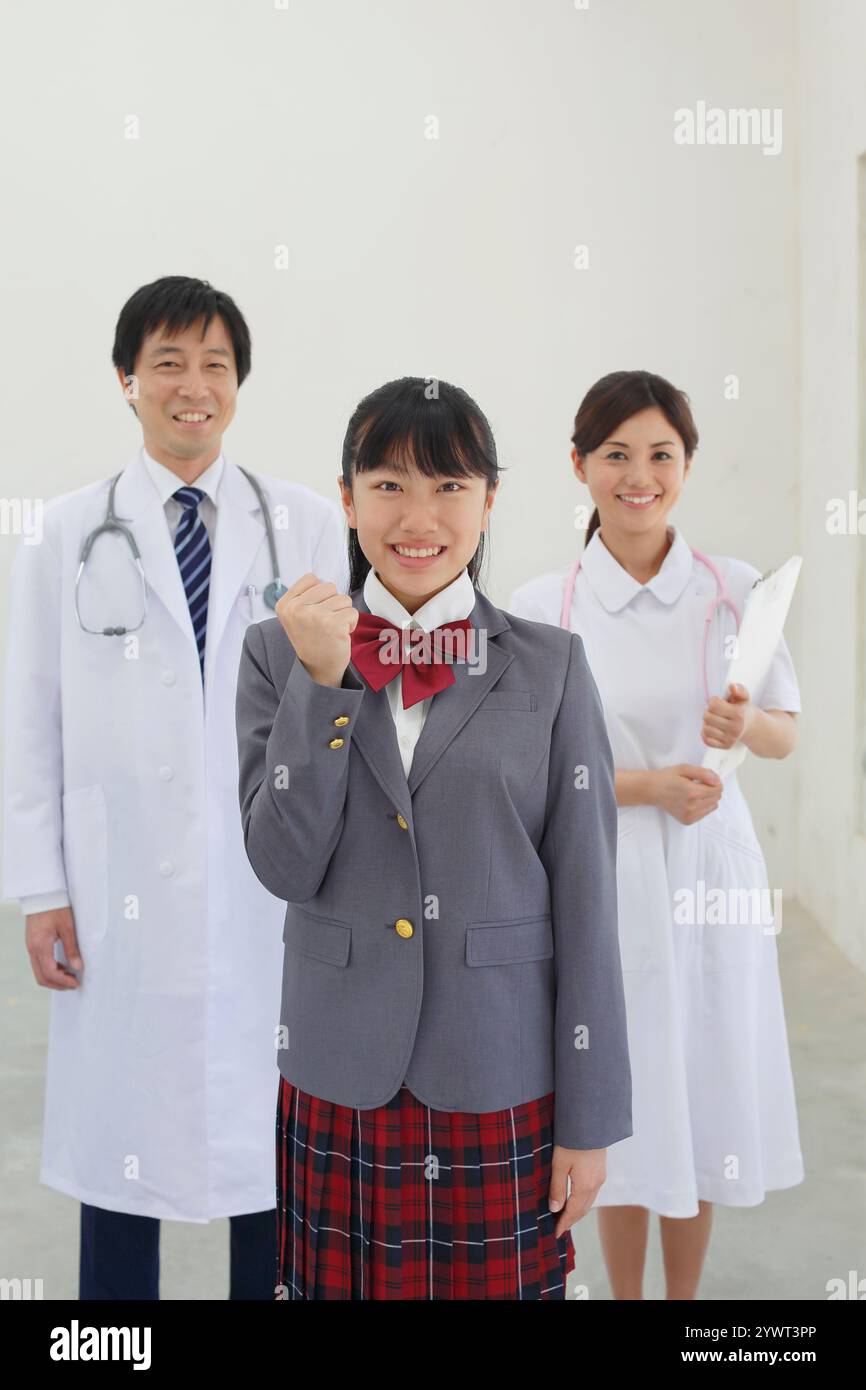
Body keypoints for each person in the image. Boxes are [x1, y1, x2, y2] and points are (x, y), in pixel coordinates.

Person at [234, 375, 632, 1300]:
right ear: (347, 497)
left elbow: (588, 899)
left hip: (497, 1074)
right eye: (389, 484)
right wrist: (325, 687)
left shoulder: (552, 665)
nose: (420, 516)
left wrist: (593, 1116)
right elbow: (282, 862)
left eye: (450, 485)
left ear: (489, 502)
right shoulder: (276, 651)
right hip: (341, 1072)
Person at [2, 275, 347, 1299]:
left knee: (271, 1149)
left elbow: (345, 705)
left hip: (271, 883)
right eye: (167, 363)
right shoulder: (64, 532)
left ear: (238, 383)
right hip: (119, 895)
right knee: (124, 1145)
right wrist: (39, 888)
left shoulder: (303, 524)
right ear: (126, 380)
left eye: (214, 365)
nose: (191, 387)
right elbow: (31, 720)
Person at [508, 369, 804, 1300]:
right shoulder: (543, 603)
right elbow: (522, 770)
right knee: (620, 1096)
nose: (640, 476)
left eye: (661, 455)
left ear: (687, 464)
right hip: (603, 867)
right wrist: (643, 784)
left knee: (700, 1085)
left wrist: (741, 726)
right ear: (579, 466)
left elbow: (786, 733)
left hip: (709, 868)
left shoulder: (735, 590)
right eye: (616, 455)